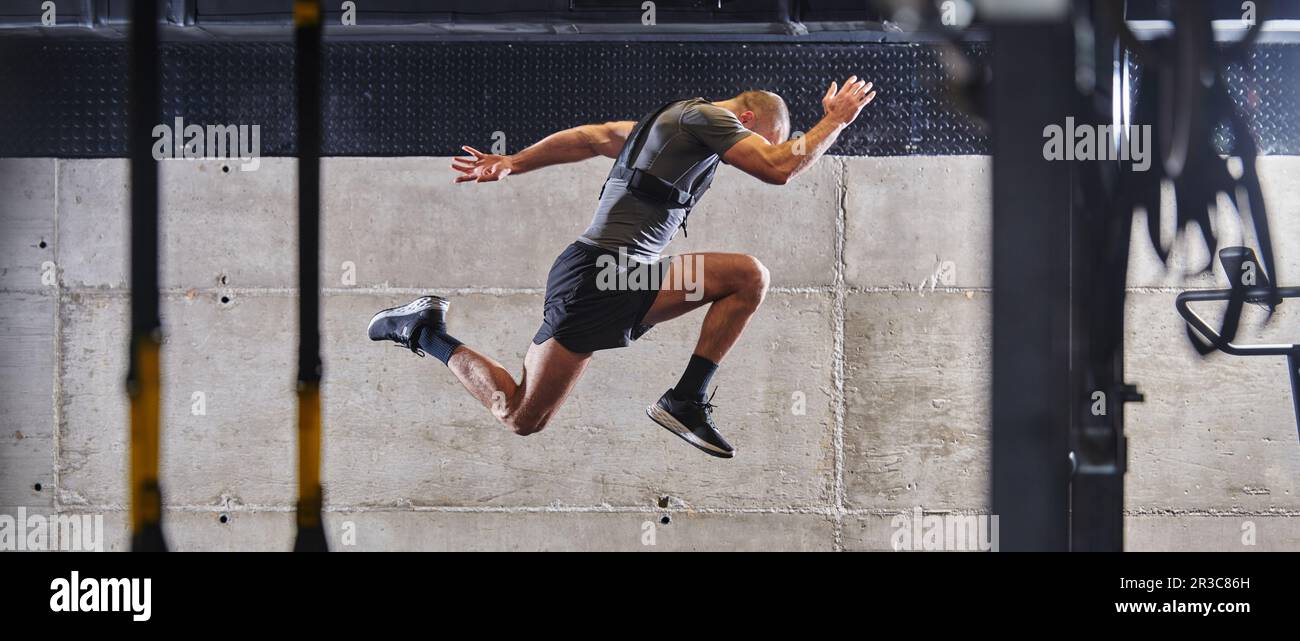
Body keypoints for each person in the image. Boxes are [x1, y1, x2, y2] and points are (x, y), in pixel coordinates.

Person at [368, 77, 877, 458]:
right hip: (599, 277)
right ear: (745, 121)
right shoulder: (710, 118)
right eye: (760, 140)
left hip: (624, 279)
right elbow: (779, 167)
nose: (746, 154)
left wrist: (517, 161)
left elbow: (593, 138)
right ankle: (422, 331)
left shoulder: (670, 127)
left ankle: (684, 400)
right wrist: (836, 120)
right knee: (521, 416)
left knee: (525, 419)